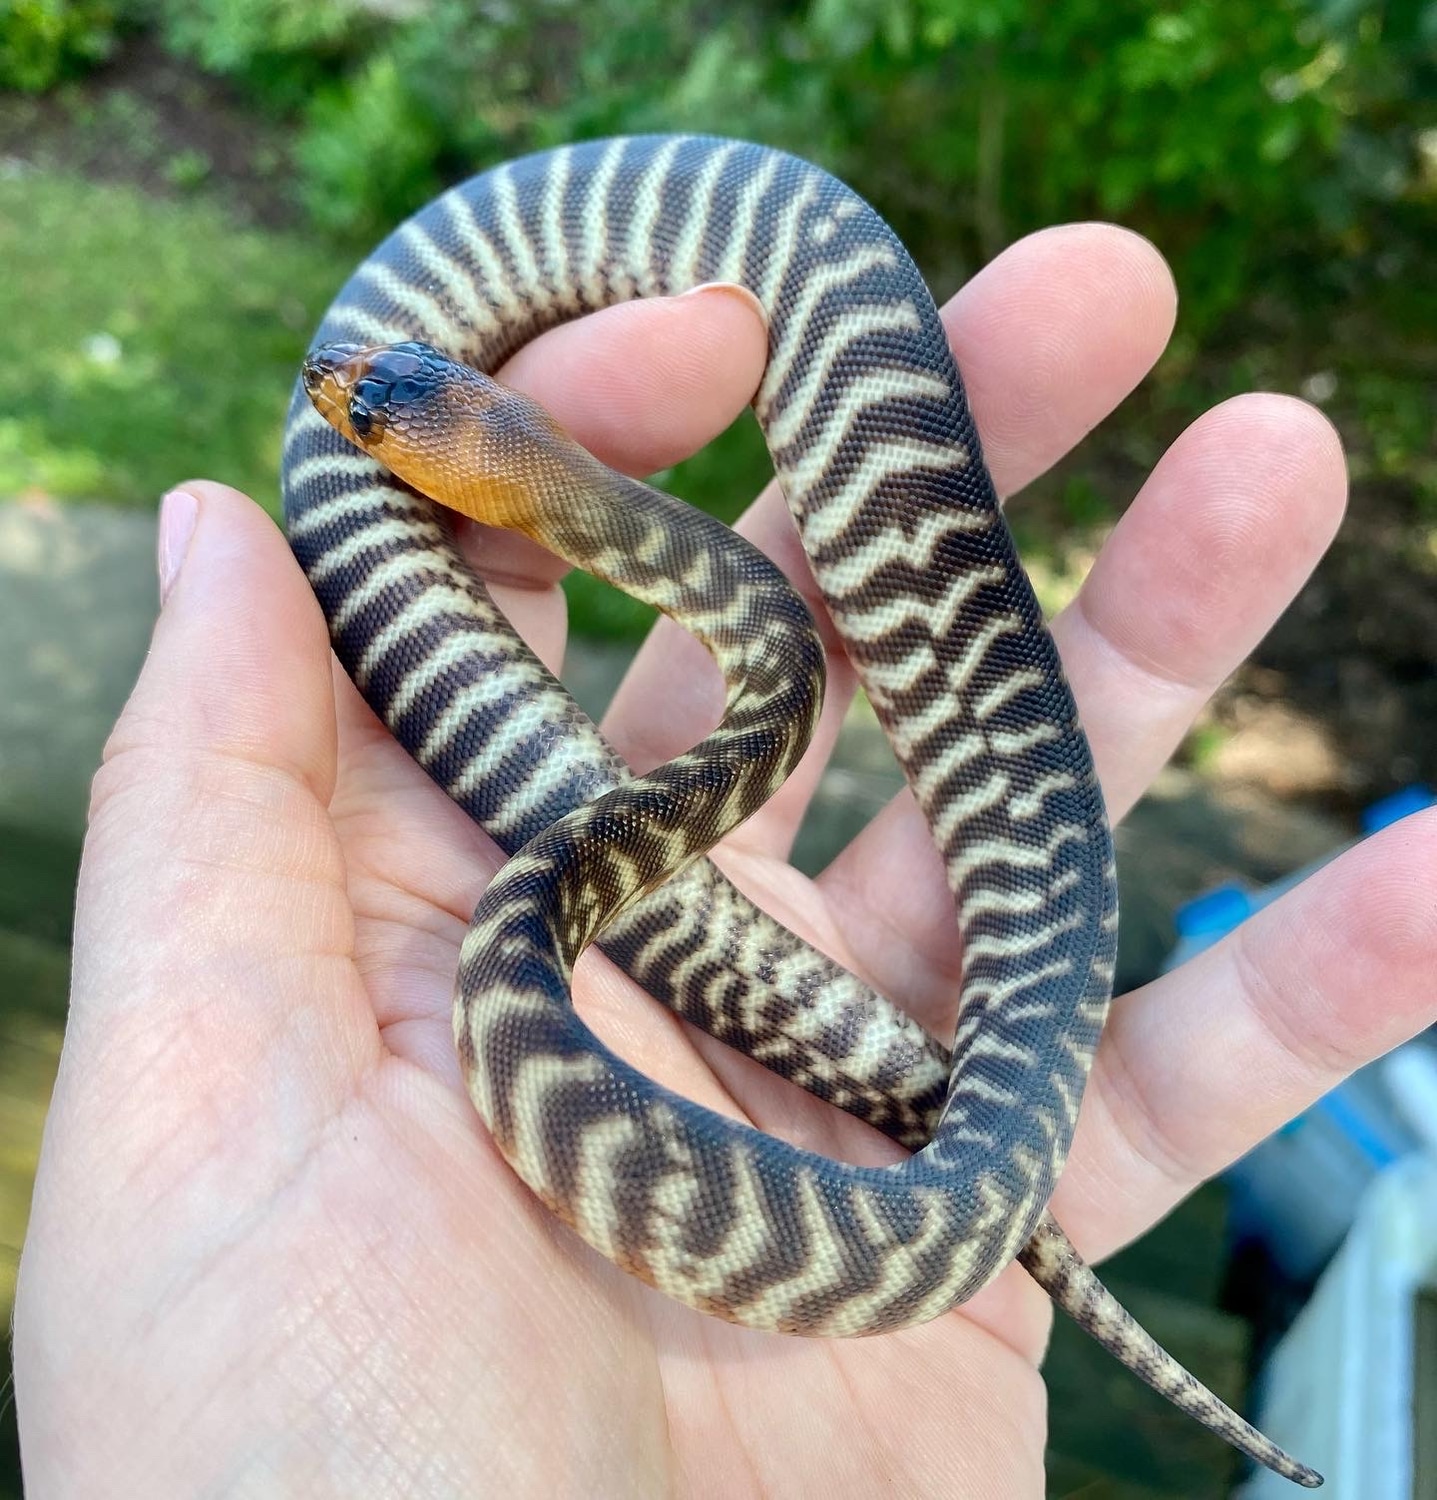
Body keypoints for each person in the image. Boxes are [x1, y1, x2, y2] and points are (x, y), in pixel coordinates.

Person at [14, 224, 1434, 1497]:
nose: (338, 395)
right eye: (369, 411)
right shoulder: (628, 563)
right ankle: (989, 1205)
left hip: (900, 1144)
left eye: (371, 411)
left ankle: (987, 1202)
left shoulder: (709, 605)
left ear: (496, 457)